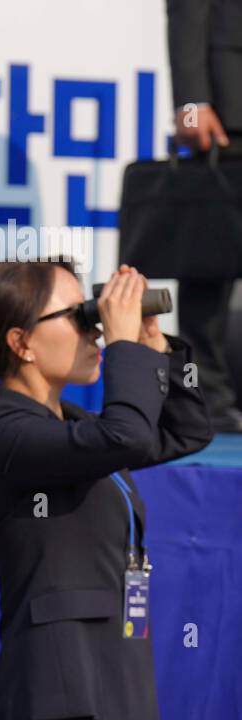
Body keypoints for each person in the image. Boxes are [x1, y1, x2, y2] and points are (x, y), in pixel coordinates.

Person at [0, 259, 212, 720]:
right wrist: (125, 348)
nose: (95, 332)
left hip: (116, 691)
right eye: (80, 316)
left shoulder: (72, 423)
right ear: (21, 342)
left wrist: (159, 348)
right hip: (54, 702)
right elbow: (127, 435)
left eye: (95, 319)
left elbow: (188, 431)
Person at [167, 0, 242, 431]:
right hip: (226, 110)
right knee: (208, 264)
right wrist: (192, 104)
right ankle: (204, 394)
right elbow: (187, 9)